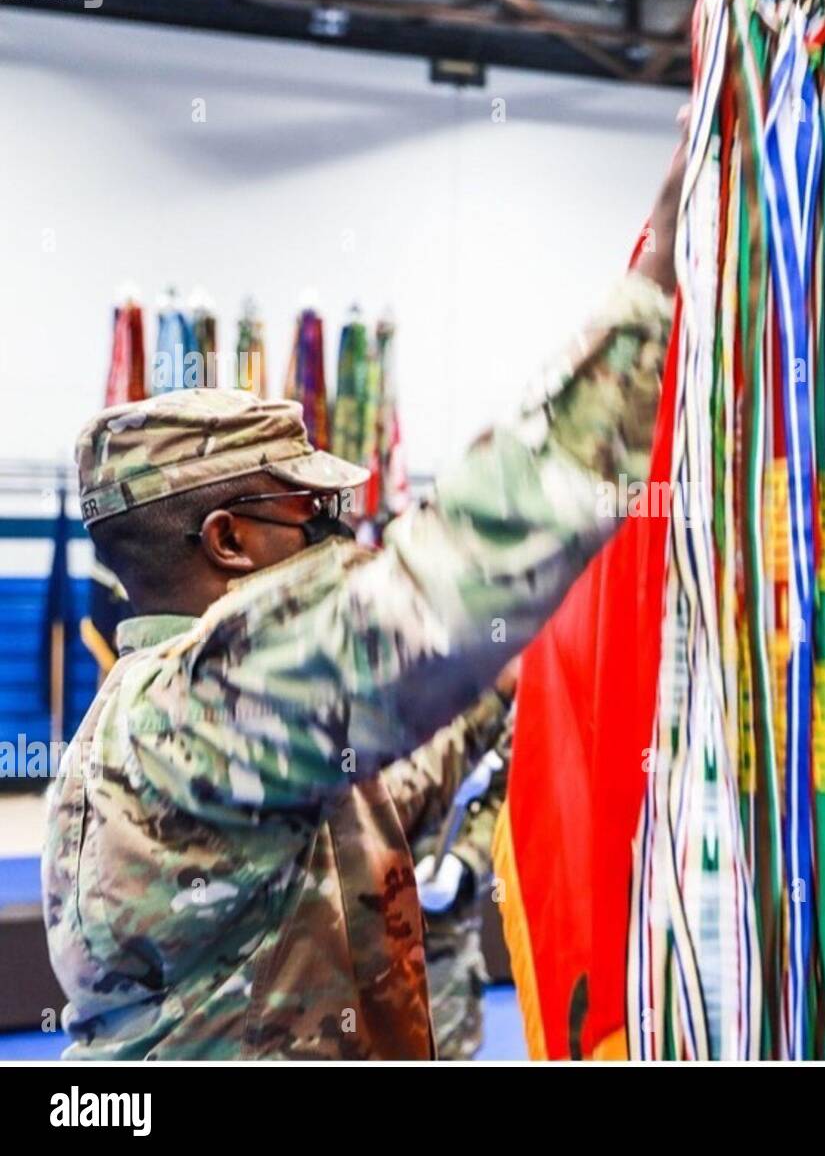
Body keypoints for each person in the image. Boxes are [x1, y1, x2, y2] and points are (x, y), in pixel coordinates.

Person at [42, 140, 684, 1060]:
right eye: (309, 509)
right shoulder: (190, 708)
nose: (337, 534)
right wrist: (652, 291)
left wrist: (528, 655)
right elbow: (437, 594)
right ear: (227, 538)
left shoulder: (220, 725)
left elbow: (397, 768)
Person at [407, 679, 514, 1059]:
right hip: (345, 938)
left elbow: (507, 793)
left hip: (442, 944)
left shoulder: (483, 675)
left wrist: (465, 860)